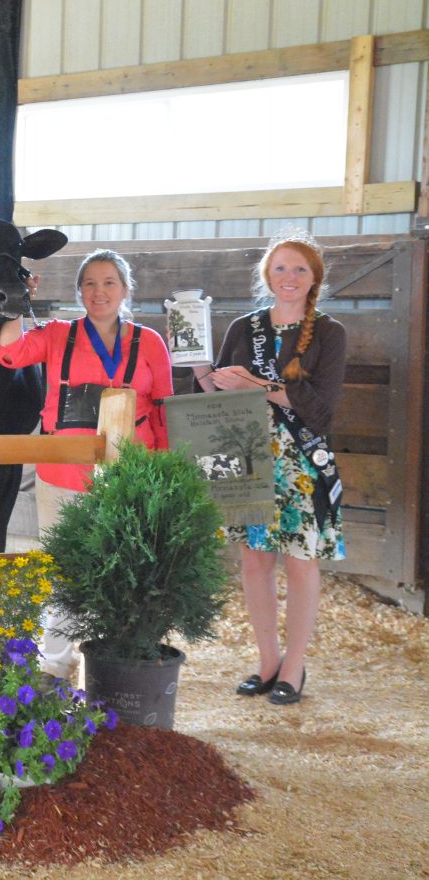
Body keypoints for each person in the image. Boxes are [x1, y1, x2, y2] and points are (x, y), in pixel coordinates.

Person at [0, 249, 174, 681]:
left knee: (128, 568)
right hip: (65, 475)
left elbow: (164, 410)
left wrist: (165, 476)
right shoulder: (57, 335)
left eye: (109, 282)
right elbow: (9, 353)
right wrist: (18, 302)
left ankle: (118, 668)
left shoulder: (149, 341)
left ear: (125, 290)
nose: (99, 291)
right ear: (79, 291)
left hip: (132, 475)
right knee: (65, 572)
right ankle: (54, 667)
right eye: (90, 283)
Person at [192, 233, 345, 706]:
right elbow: (215, 397)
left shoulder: (329, 334)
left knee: (301, 562)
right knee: (254, 561)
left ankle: (295, 666)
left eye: (299, 269)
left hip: (301, 460)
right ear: (267, 275)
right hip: (247, 453)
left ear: (314, 277)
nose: (289, 278)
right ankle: (267, 660)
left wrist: (257, 383)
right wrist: (197, 361)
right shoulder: (244, 327)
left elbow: (320, 411)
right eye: (280, 269)